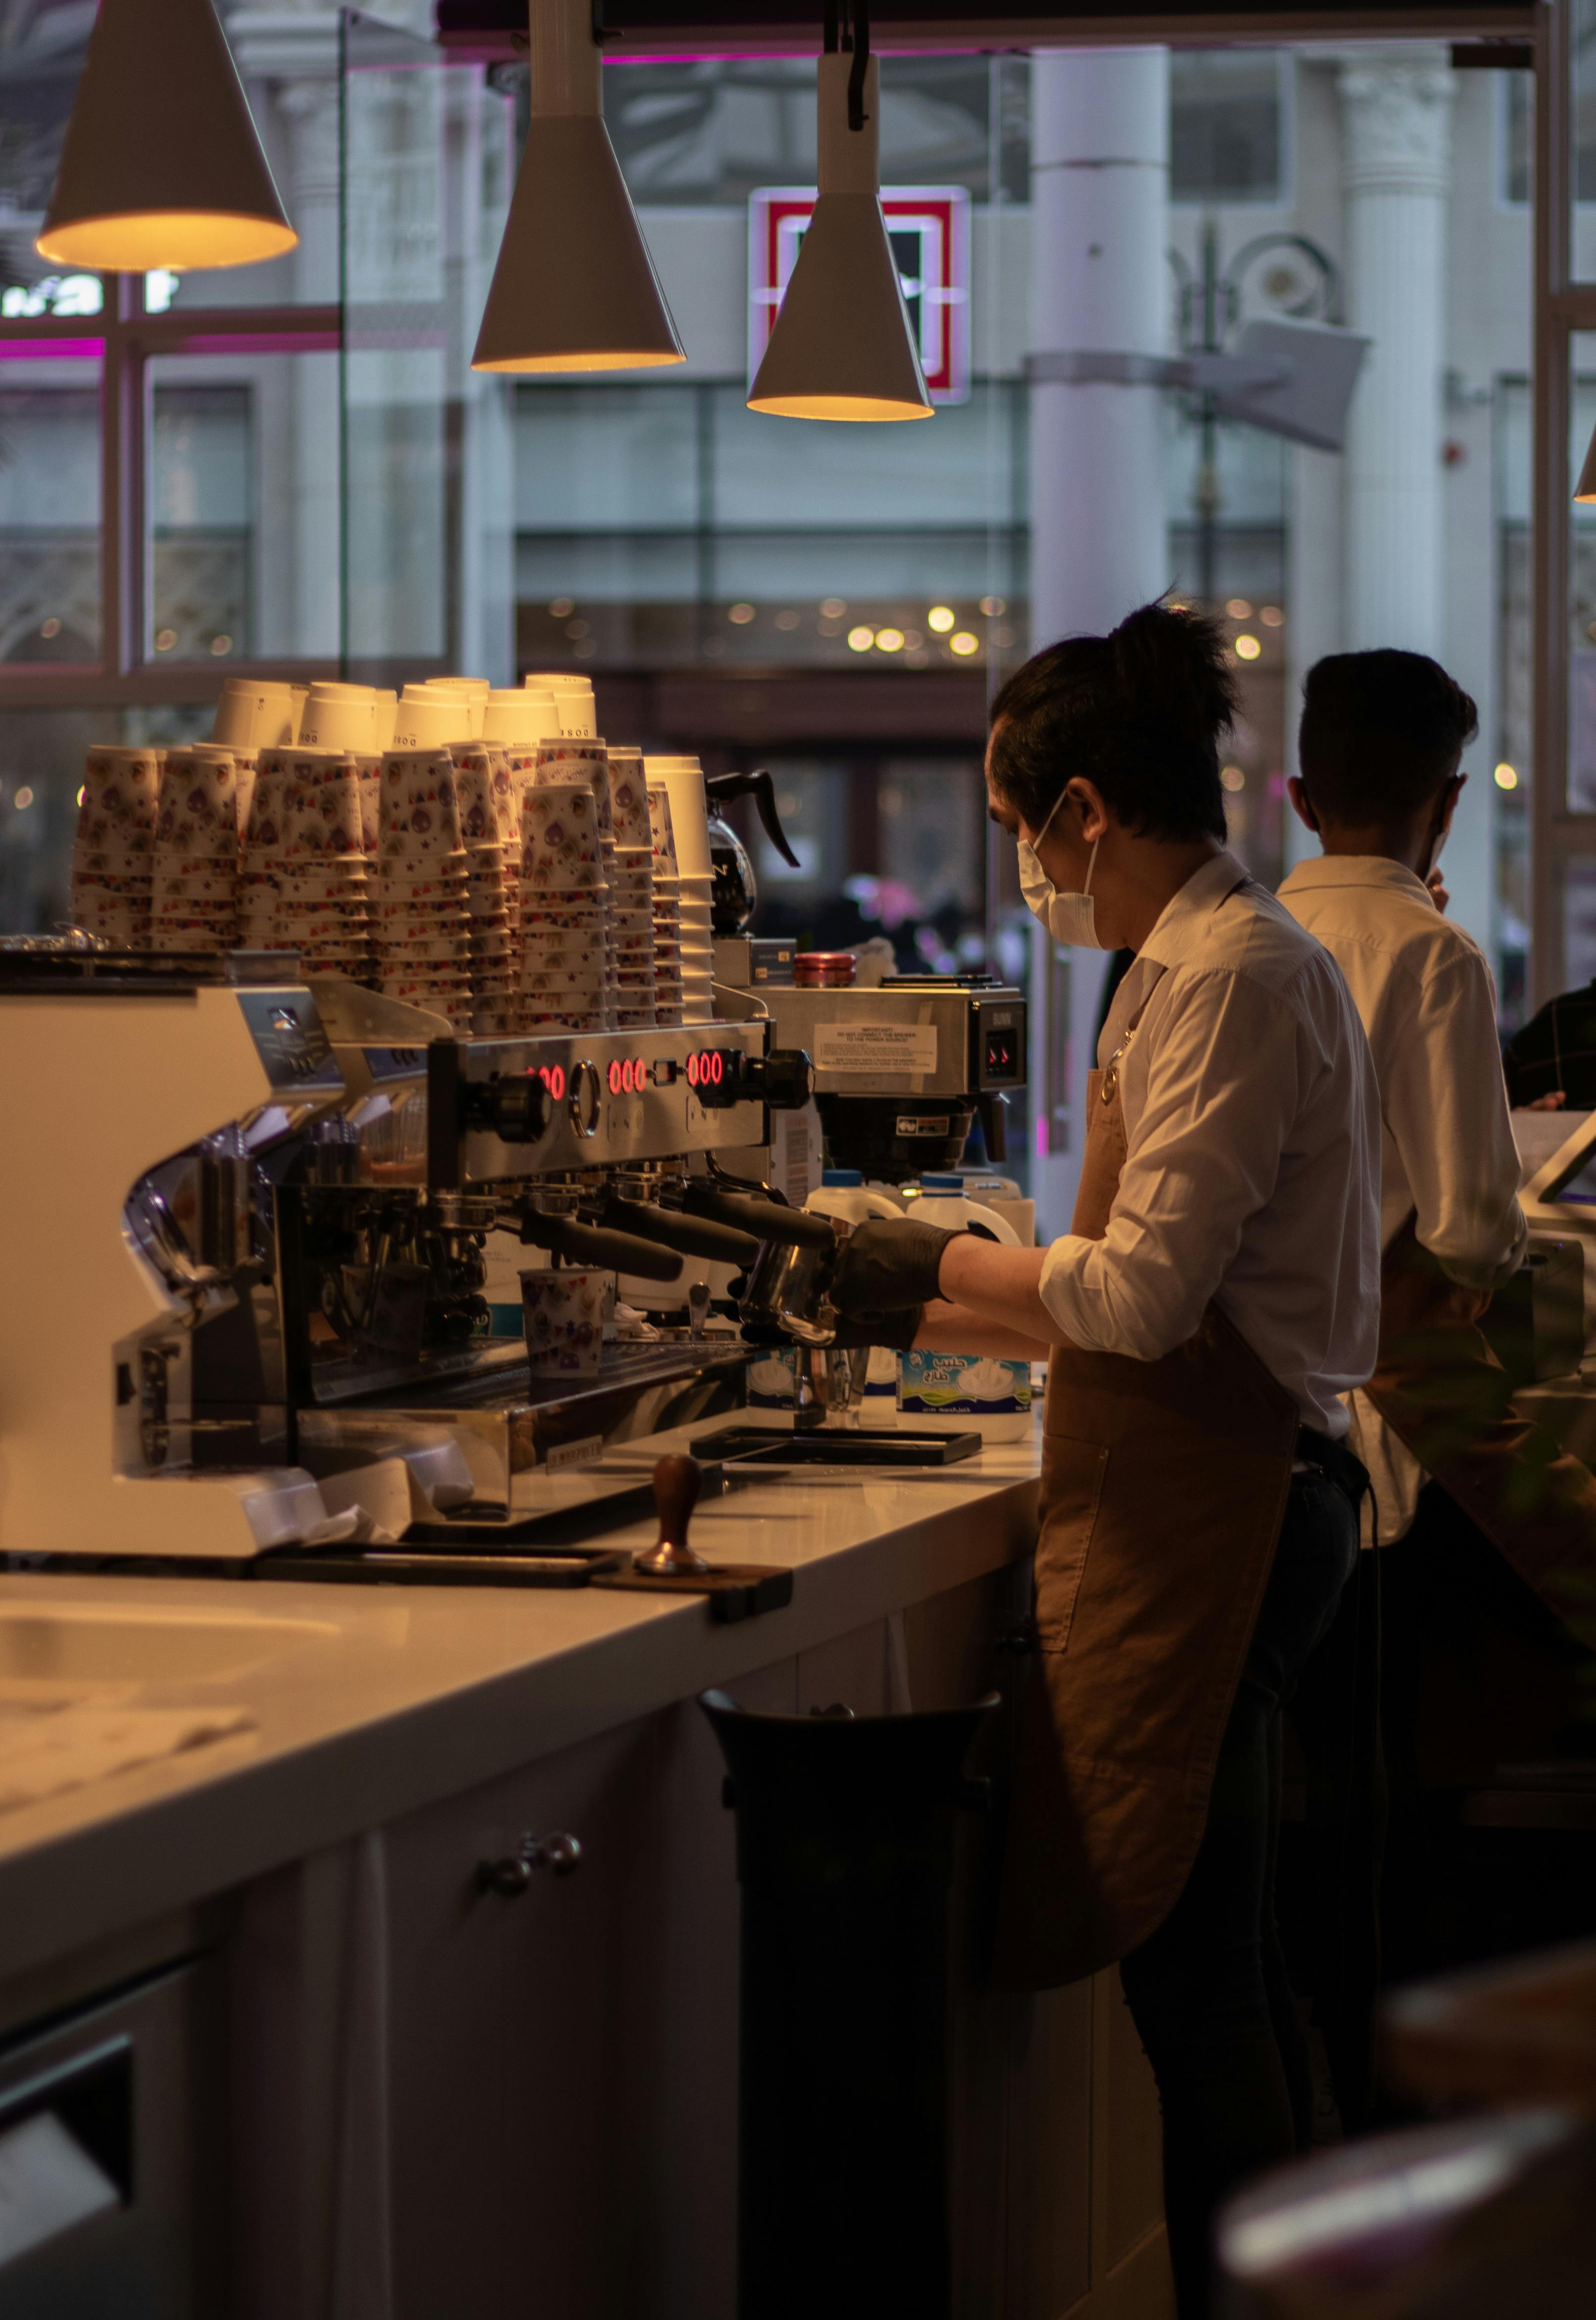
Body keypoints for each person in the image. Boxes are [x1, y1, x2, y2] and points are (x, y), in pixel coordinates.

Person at [825, 601, 1381, 2318]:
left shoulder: (1236, 976)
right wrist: (931, 1288)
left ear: (1081, 810)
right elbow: (1114, 1295)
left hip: (1244, 1508)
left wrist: (916, 1266)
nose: (1019, 869)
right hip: (1212, 1489)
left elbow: (1137, 1300)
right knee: (1212, 1967)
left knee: (1205, 1977)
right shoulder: (1179, 972)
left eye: (1015, 829)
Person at [1278, 650, 1596, 1994]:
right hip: (1398, 1457)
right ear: (1449, 802)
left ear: (1299, 795)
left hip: (1262, 1446)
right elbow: (1473, 1223)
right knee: (1395, 1811)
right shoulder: (1434, 955)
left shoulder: (1241, 941)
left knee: (1306, 1811)